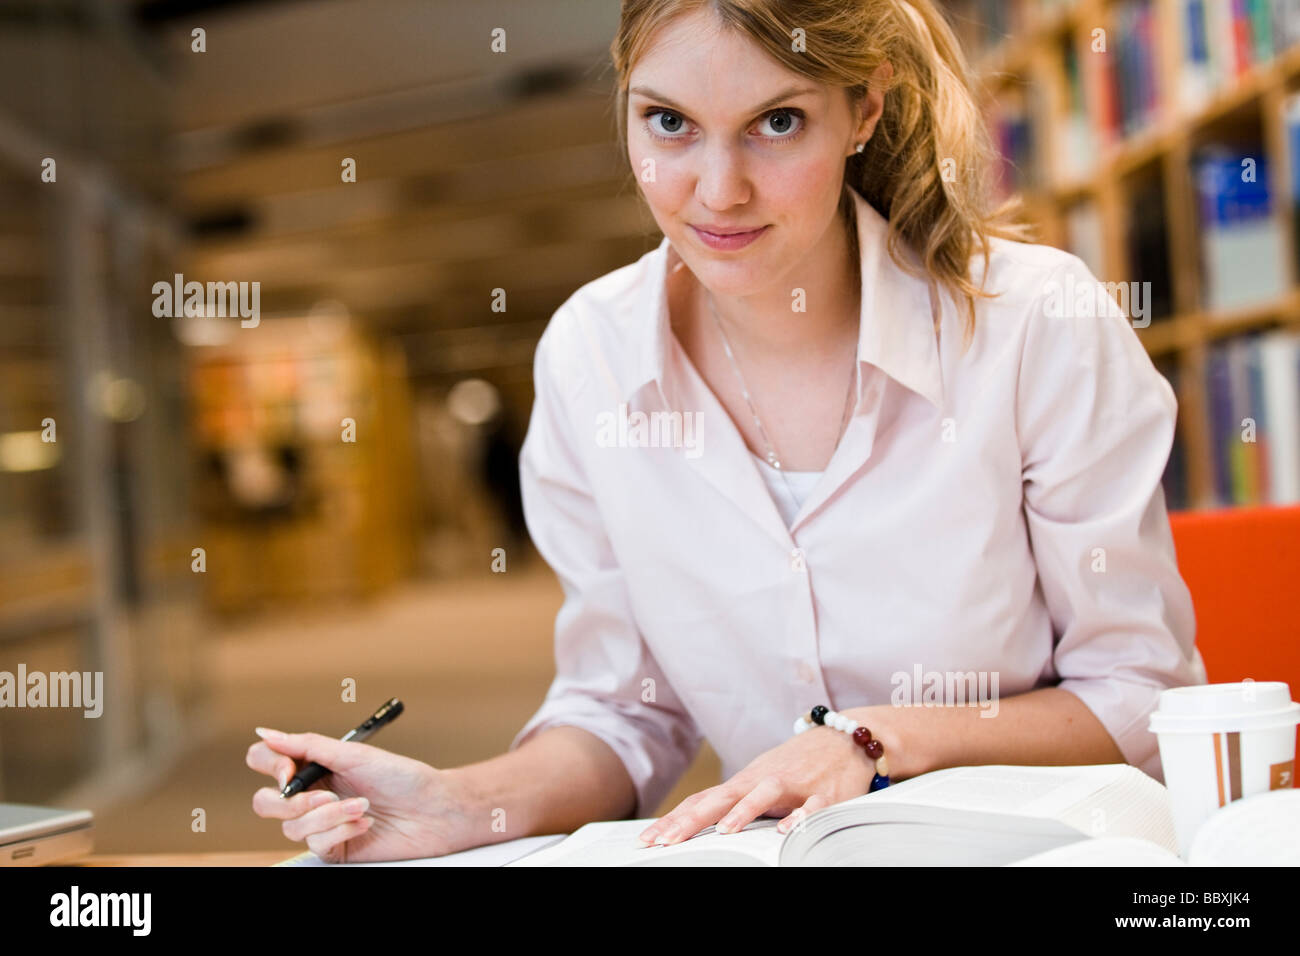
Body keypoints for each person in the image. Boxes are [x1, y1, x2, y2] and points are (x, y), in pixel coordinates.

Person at [247, 0, 1205, 863]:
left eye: (776, 123)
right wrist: (463, 804)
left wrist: (874, 740)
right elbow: (625, 714)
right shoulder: (591, 356)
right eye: (669, 122)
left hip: (1033, 851)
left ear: (864, 111)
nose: (716, 191)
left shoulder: (1032, 324)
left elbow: (1134, 696)